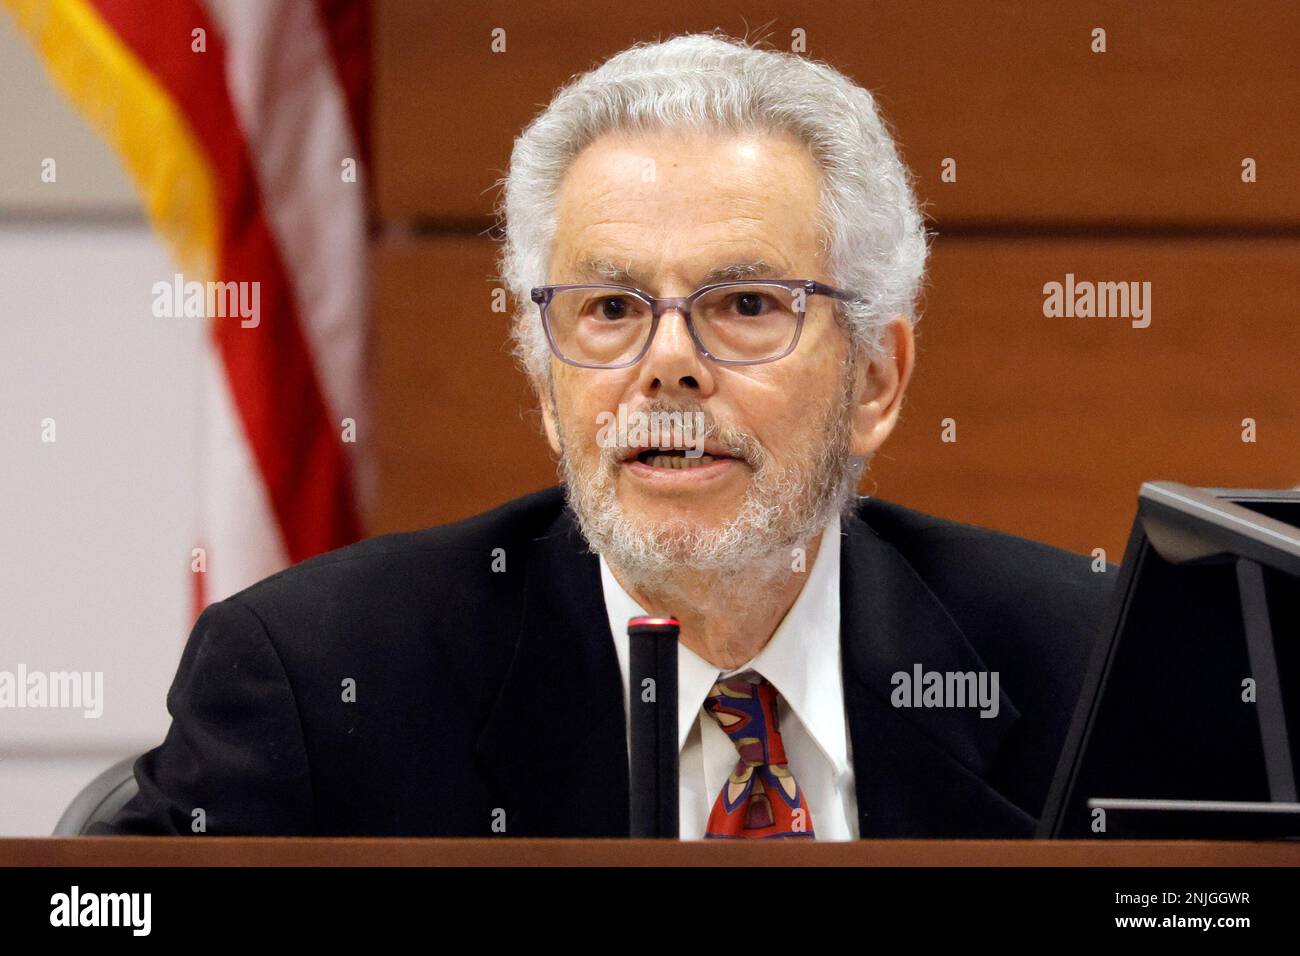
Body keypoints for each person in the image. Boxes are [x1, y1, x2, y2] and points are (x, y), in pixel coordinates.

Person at [91, 32, 1113, 839]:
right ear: (546, 383)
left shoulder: (1089, 670)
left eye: (745, 301)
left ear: (876, 380)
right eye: (612, 309)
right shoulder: (323, 683)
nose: (667, 361)